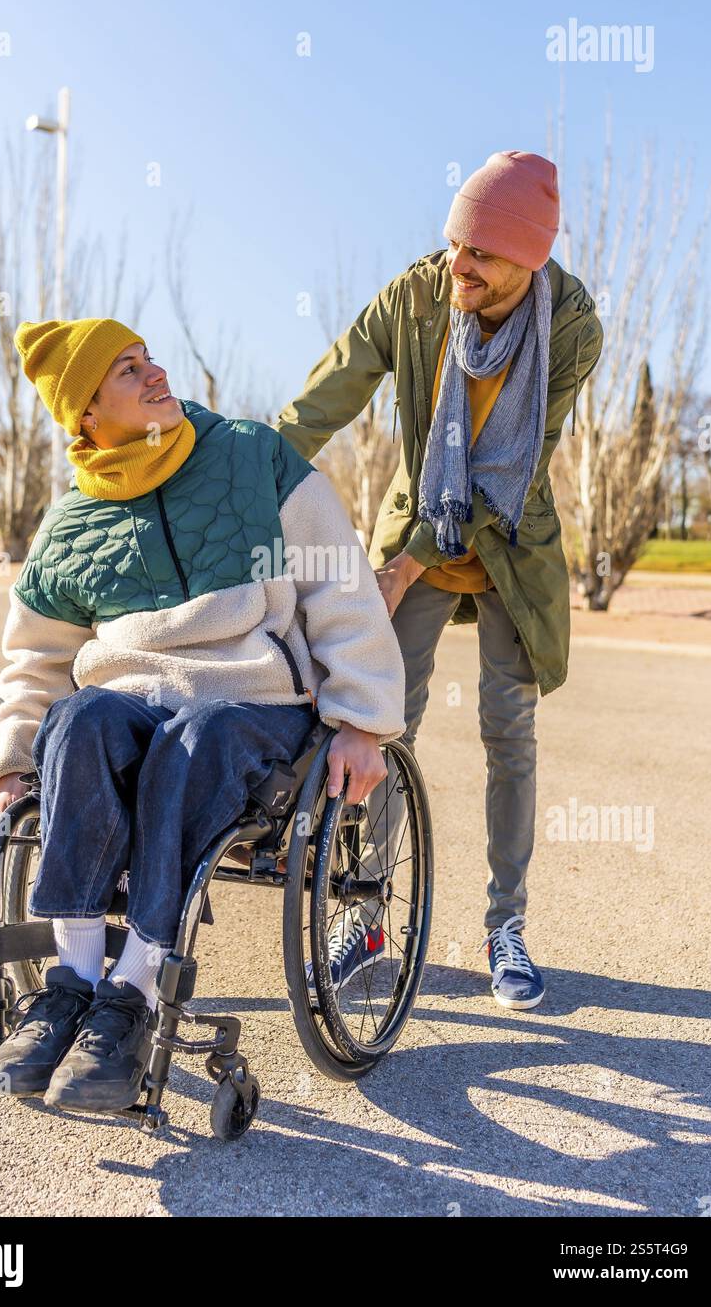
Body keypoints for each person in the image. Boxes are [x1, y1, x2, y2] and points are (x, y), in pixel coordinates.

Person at [0, 317, 406, 1111]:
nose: (154, 374)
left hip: (254, 705)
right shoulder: (71, 524)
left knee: (196, 737)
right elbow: (37, 658)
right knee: (76, 722)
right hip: (131, 706)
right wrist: (12, 758)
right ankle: (72, 985)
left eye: (147, 358)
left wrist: (363, 719)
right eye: (126, 371)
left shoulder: (250, 456)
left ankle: (133, 992)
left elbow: (338, 588)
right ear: (86, 417)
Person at [277, 151, 604, 1010]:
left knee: (509, 731)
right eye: (454, 242)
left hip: (506, 543)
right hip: (414, 522)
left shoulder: (569, 327)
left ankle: (507, 927)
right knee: (379, 720)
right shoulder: (417, 297)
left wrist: (406, 566)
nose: (456, 264)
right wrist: (243, 479)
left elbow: (512, 470)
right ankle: (368, 910)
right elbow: (322, 401)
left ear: (526, 262)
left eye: (480, 255)